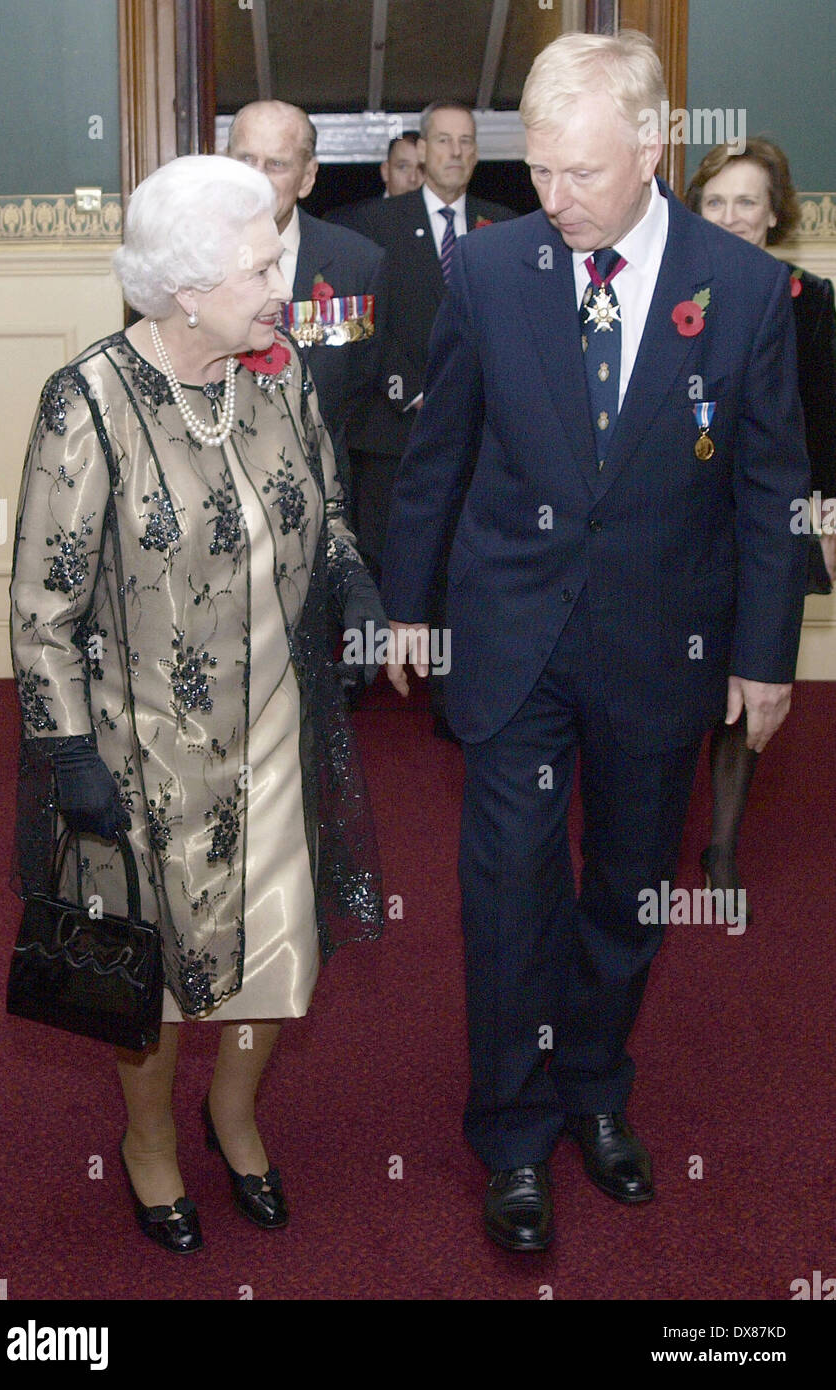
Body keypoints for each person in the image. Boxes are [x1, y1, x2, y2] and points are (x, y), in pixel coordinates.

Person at [382, 32, 809, 1253]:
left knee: (627, 892)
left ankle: (595, 1090)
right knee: (512, 894)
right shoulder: (492, 270)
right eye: (539, 169)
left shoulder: (741, 286)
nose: (551, 198)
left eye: (579, 173)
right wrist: (407, 603)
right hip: (513, 635)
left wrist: (766, 656)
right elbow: (440, 450)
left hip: (661, 647)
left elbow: (772, 486)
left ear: (653, 148)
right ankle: (514, 1134)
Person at [10, 155, 384, 1255]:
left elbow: (328, 504)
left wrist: (355, 579)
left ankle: (234, 1113)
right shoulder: (89, 403)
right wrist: (67, 748)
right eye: (262, 263)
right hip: (144, 754)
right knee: (155, 972)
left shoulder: (278, 372)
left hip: (278, 720)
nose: (285, 280)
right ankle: (148, 1142)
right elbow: (42, 604)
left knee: (276, 947)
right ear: (185, 289)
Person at [685, 137, 836, 920]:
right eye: (715, 202)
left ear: (773, 214)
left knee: (749, 678)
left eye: (747, 202)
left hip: (764, 522)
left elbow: (824, 423)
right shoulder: (672, 292)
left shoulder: (807, 300)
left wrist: (826, 516)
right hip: (680, 524)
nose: (731, 216)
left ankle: (721, 845)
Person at [346, 101, 515, 734]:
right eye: (444, 141)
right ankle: (363, 673)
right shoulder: (374, 224)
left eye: (467, 141)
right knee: (385, 555)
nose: (456, 152)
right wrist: (410, 391)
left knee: (458, 566)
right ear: (423, 147)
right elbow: (365, 322)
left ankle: (451, 692)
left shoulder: (508, 227)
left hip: (477, 438)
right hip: (395, 431)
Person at [227, 100, 388, 505]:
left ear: (307, 177)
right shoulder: (188, 264)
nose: (257, 180)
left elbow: (366, 387)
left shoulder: (359, 264)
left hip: (321, 498)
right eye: (246, 160)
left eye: (276, 165)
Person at [326, 133, 423, 232]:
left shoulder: (437, 224)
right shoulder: (346, 223)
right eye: (403, 167)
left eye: (422, 169)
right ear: (385, 171)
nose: (413, 178)